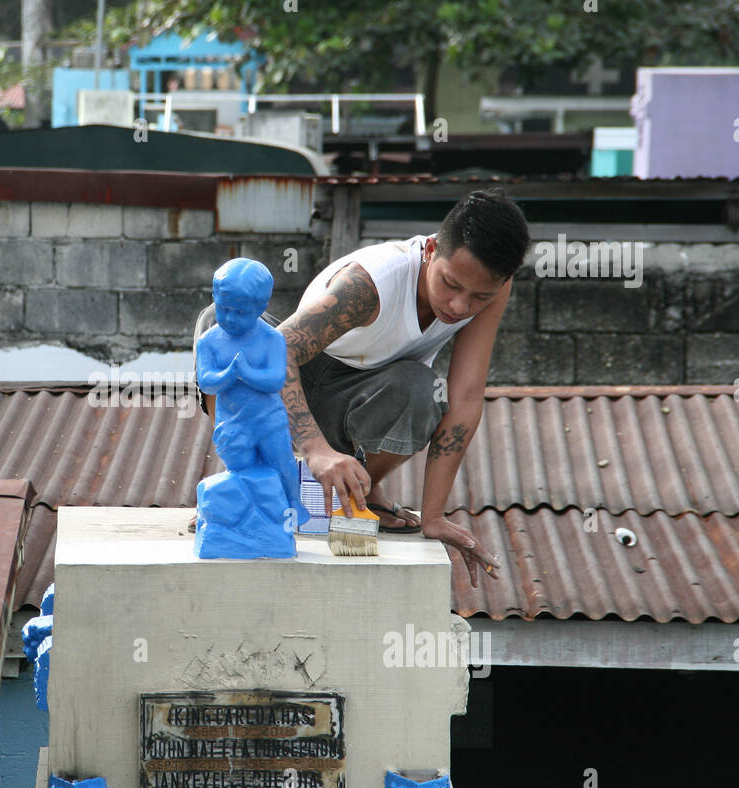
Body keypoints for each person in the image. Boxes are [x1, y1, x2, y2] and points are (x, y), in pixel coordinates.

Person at [190, 188, 528, 588]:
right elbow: (280, 354)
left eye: (478, 296)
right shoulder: (370, 285)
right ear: (433, 249)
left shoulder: (492, 288)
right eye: (450, 284)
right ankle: (245, 483)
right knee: (221, 325)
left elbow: (467, 396)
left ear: (502, 282)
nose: (458, 306)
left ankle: (360, 492)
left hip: (357, 400)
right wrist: (315, 450)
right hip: (283, 391)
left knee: (419, 387)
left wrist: (433, 516)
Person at [195, 258, 311, 536]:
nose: (230, 318)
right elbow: (206, 382)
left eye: (240, 312)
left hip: (268, 419)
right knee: (239, 468)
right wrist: (228, 375)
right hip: (232, 421)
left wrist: (244, 372)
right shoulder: (209, 340)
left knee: (281, 462)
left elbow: (274, 381)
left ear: (261, 308)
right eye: (223, 310)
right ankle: (241, 517)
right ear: (215, 300)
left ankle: (292, 505)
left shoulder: (272, 339)